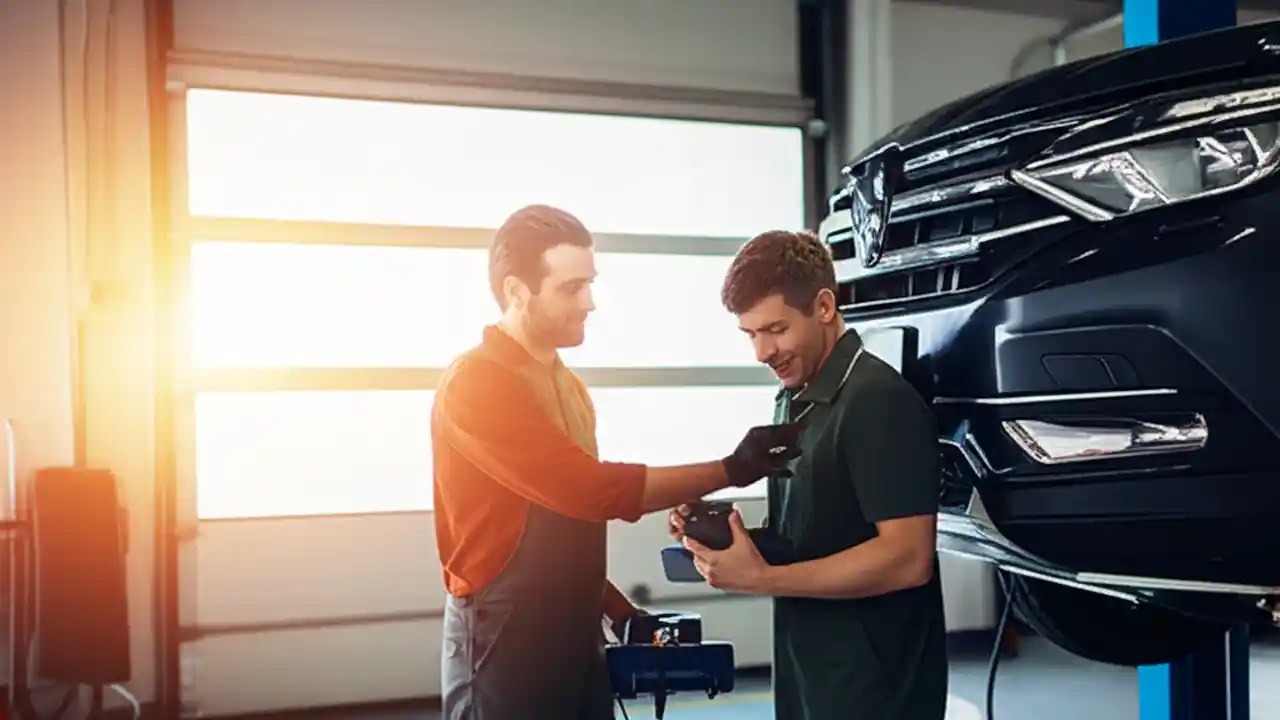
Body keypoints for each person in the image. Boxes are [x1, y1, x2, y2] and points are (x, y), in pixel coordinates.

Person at [431, 205, 802, 720]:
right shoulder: (477, 384)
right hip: (503, 642)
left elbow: (566, 518)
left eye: (590, 284)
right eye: (570, 288)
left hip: (577, 633)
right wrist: (731, 469)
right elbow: (587, 490)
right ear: (517, 291)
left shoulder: (568, 387)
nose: (588, 303)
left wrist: (619, 612)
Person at [670, 229, 948, 720]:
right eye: (750, 334)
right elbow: (813, 533)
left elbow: (908, 558)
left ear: (823, 307)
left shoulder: (877, 400)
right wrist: (733, 539)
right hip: (808, 673)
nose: (761, 352)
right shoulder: (794, 395)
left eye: (775, 329)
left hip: (871, 690)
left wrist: (762, 579)